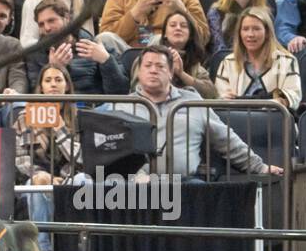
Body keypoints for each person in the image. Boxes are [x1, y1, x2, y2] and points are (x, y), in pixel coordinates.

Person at [101, 44, 282, 178]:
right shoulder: (122, 106)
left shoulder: (192, 101)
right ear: (138, 73)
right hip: (135, 187)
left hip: (186, 186)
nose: (153, 71)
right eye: (148, 66)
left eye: (160, 66)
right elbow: (109, 151)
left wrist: (260, 167)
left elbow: (226, 139)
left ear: (171, 72)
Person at [14, 64, 83, 251]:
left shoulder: (80, 118)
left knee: (82, 180)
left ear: (67, 86)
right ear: (41, 87)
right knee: (36, 185)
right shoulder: (25, 117)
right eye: (48, 80)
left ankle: (76, 246)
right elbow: (20, 158)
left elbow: (81, 159)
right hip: (38, 179)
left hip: (69, 178)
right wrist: (37, 174)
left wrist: (60, 128)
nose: (53, 84)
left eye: (58, 80)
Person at [25, 0, 129, 95]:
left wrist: (106, 61)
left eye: (51, 21)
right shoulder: (35, 55)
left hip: (95, 110)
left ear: (67, 18)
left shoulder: (96, 47)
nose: (47, 28)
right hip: (58, 111)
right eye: (41, 24)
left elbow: (120, 92)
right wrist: (53, 69)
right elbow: (35, 98)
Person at [214, 6, 301, 110]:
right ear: (239, 33)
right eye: (245, 29)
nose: (250, 34)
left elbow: (294, 95)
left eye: (256, 29)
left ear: (267, 33)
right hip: (236, 119)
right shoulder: (228, 62)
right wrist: (223, 99)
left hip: (273, 119)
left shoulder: (287, 61)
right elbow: (220, 97)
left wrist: (281, 101)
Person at [153, 10, 218, 98]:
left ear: (190, 35)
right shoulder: (149, 57)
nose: (178, 28)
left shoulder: (195, 65)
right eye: (173, 25)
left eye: (183, 26)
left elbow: (212, 94)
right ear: (164, 34)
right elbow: (138, 87)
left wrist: (181, 74)